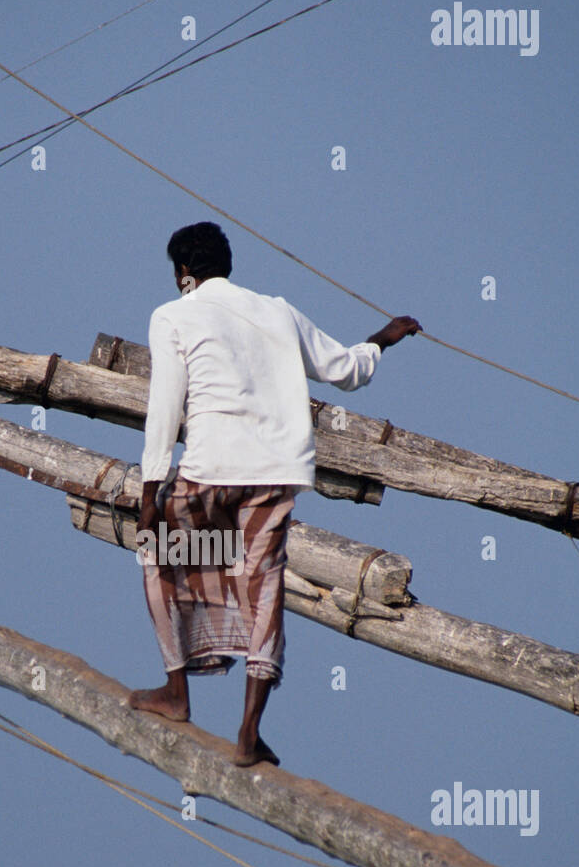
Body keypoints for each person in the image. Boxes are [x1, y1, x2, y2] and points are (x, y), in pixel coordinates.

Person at [128, 222, 420, 767]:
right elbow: (343, 369)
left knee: (161, 560)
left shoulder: (172, 315)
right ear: (228, 265)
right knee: (262, 590)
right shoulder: (278, 312)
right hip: (272, 475)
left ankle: (176, 692)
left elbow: (165, 407)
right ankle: (248, 733)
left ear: (183, 275)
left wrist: (150, 490)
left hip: (209, 471)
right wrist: (381, 339)